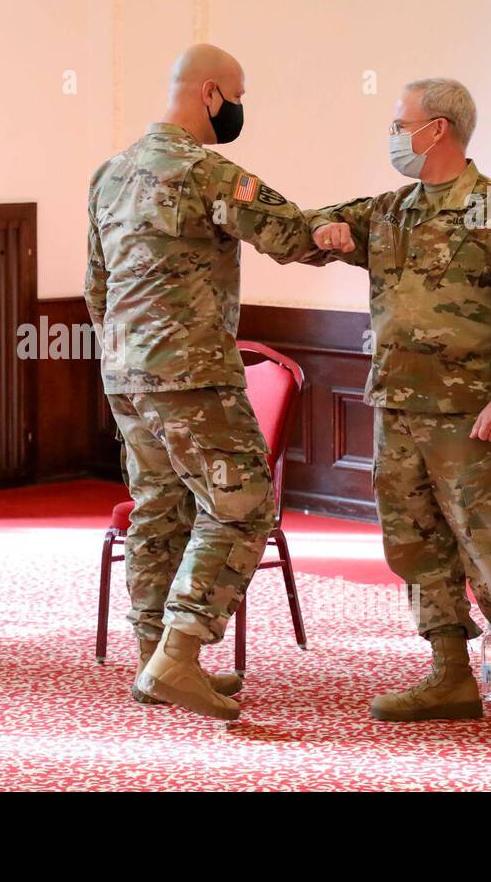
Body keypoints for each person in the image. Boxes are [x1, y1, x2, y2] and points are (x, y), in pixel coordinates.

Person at [310, 77, 491, 747]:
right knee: (416, 546)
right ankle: (450, 675)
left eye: (398, 121)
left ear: (436, 129)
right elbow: (310, 227)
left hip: (470, 417)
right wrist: (322, 229)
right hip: (397, 411)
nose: (392, 133)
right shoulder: (390, 211)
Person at [85, 44, 326, 720]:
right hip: (191, 374)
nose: (240, 109)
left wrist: (128, 354)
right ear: (212, 93)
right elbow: (290, 234)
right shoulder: (207, 171)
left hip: (125, 373)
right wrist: (355, 231)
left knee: (161, 506)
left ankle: (153, 659)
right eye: (239, 95)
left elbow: (95, 286)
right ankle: (180, 654)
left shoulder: (110, 172)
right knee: (244, 505)